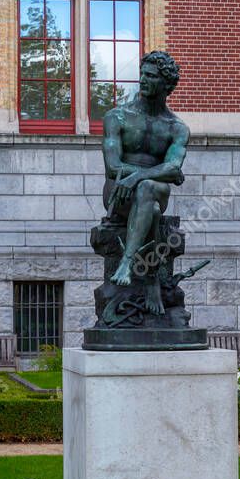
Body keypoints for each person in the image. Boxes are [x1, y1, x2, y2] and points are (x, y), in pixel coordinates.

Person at [101, 51, 191, 316]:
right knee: (150, 205)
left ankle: (127, 263)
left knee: (147, 189)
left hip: (151, 189)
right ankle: (151, 277)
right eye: (142, 74)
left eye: (151, 76)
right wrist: (159, 171)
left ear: (166, 84)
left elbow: (175, 166)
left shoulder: (177, 128)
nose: (143, 80)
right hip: (118, 191)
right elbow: (113, 166)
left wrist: (141, 175)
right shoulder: (117, 117)